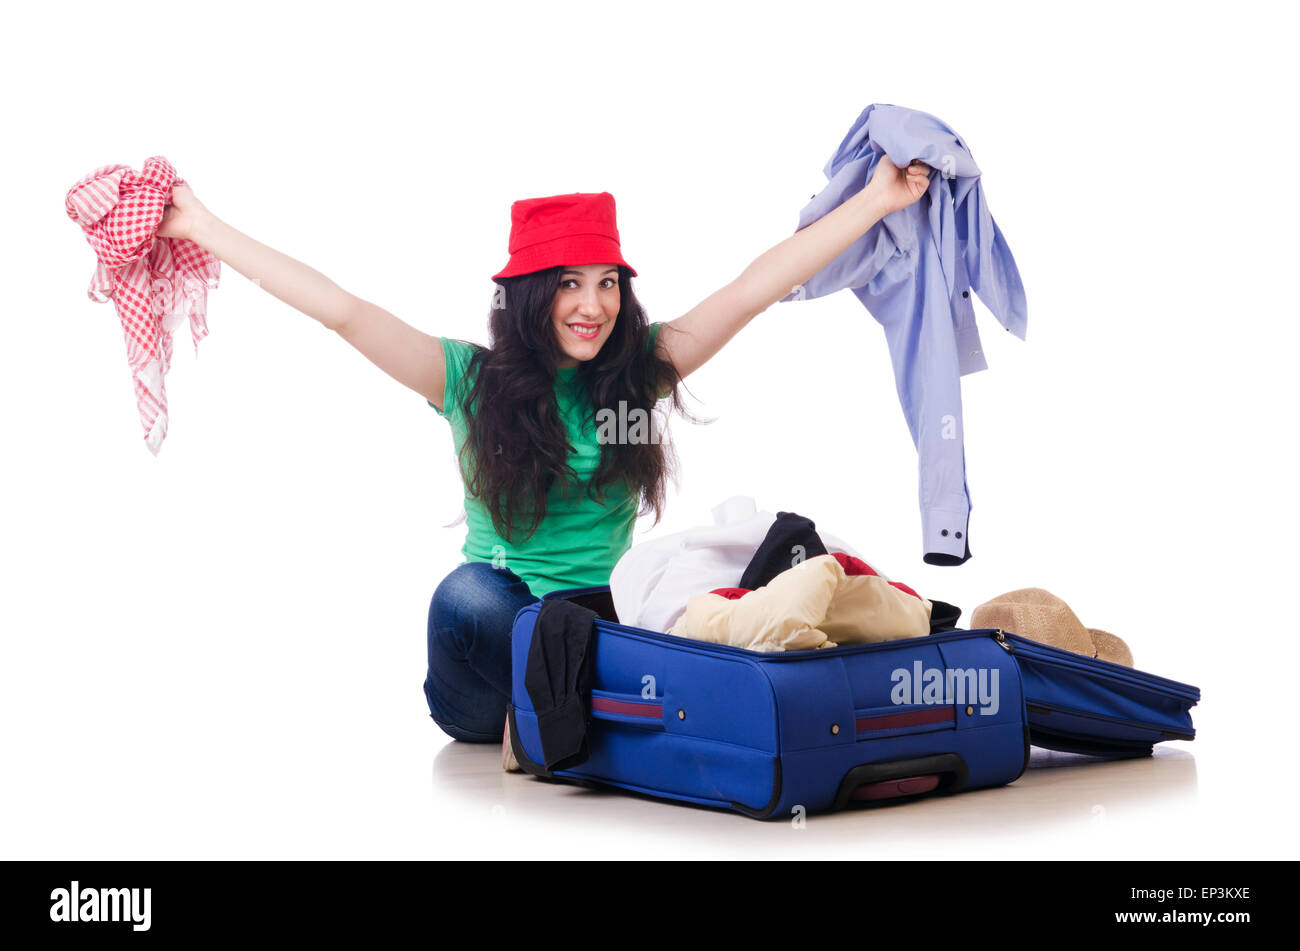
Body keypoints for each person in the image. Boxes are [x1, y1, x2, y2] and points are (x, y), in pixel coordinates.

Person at [156, 159, 933, 750]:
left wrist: (877, 199)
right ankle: (557, 714)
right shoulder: (467, 380)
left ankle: (582, 713)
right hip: (487, 663)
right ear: (531, 294)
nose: (592, 306)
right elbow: (342, 311)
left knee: (727, 575)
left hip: (599, 632)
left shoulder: (639, 374)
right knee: (468, 593)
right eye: (568, 284)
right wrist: (200, 224)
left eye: (606, 284)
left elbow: (754, 286)